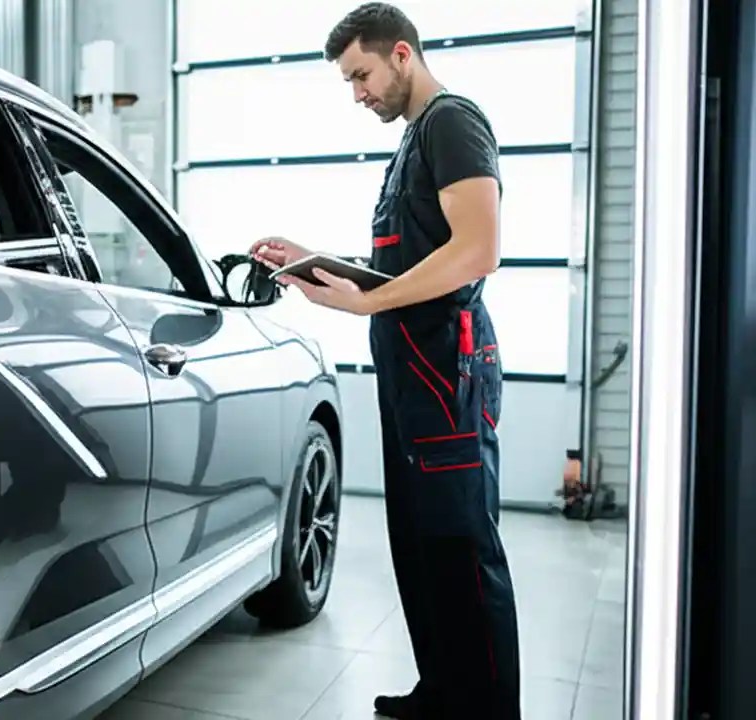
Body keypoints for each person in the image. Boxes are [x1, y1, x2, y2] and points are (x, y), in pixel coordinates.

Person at [250, 4, 521, 719]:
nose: (358, 92)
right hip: (413, 371)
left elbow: (476, 250)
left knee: (462, 548)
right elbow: (409, 262)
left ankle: (487, 708)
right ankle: (445, 692)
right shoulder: (413, 140)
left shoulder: (453, 122)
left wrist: (367, 305)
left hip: (447, 371)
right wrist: (315, 263)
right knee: (421, 544)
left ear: (402, 54)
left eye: (361, 75)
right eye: (349, 81)